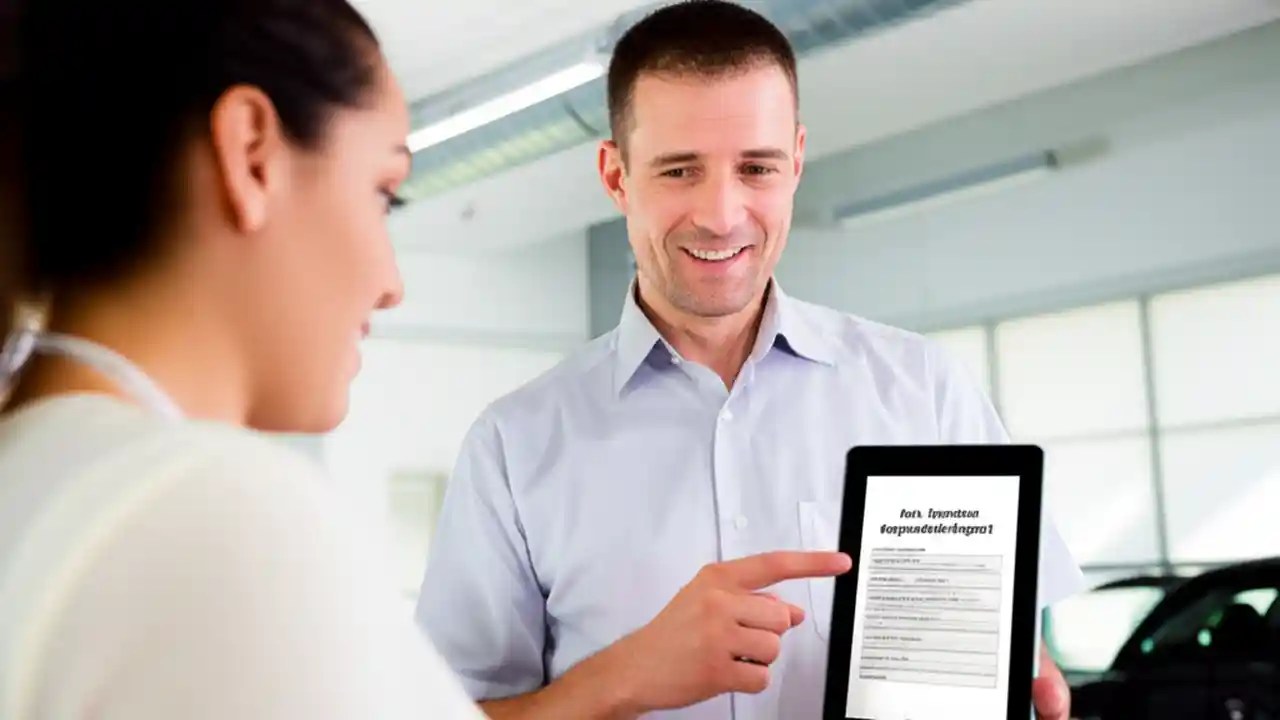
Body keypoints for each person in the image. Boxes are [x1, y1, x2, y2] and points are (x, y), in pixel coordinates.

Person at [416, 1, 1084, 719]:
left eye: (757, 168)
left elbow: (1013, 659)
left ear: (796, 162)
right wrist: (620, 678)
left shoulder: (925, 391)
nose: (722, 214)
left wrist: (1023, 678)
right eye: (679, 171)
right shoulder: (515, 444)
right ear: (616, 176)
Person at [0, 1, 483, 718]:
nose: (391, 284)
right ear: (251, 153)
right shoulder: (216, 515)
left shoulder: (35, 472)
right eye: (385, 194)